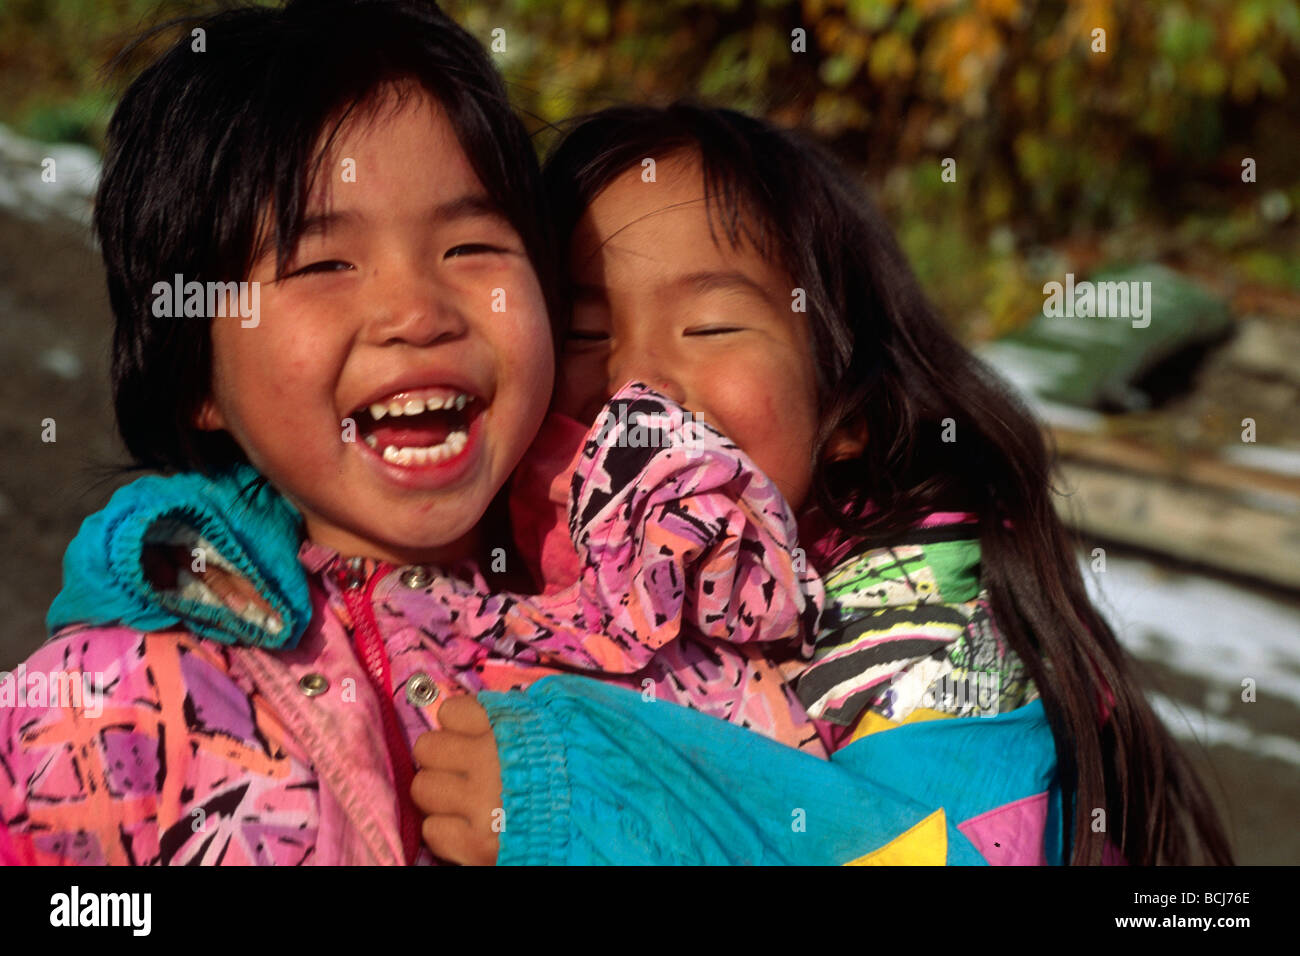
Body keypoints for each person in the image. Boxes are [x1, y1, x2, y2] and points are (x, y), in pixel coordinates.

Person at [416, 103, 1235, 866]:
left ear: (849, 414)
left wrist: (601, 805)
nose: (637, 379)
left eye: (710, 326)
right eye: (584, 332)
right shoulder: (497, 570)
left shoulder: (925, 628)